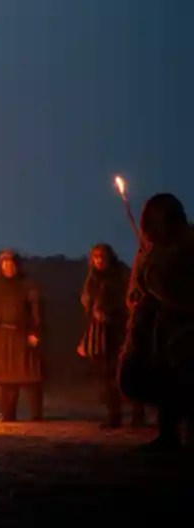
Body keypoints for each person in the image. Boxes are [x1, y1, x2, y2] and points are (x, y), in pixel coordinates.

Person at [119, 193, 194, 451]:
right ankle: (168, 435)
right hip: (160, 333)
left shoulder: (183, 247)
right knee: (168, 383)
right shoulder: (153, 251)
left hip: (181, 331)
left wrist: (154, 280)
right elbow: (141, 288)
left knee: (183, 380)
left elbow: (175, 290)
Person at [78, 243, 146, 428]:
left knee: (126, 373)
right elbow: (88, 308)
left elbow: (132, 299)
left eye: (102, 256)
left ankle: (137, 415)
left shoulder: (122, 275)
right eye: (95, 257)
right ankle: (114, 415)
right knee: (106, 376)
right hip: (99, 334)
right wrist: (85, 337)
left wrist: (112, 313)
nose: (99, 260)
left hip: (120, 330)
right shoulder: (92, 280)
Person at [0, 249, 45, 421]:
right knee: (5, 381)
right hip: (0, 336)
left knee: (31, 378)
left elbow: (36, 310)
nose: (8, 267)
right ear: (0, 266)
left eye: (11, 264)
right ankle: (8, 416)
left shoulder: (27, 285)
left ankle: (37, 417)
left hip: (22, 335)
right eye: (4, 264)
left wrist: (34, 331)